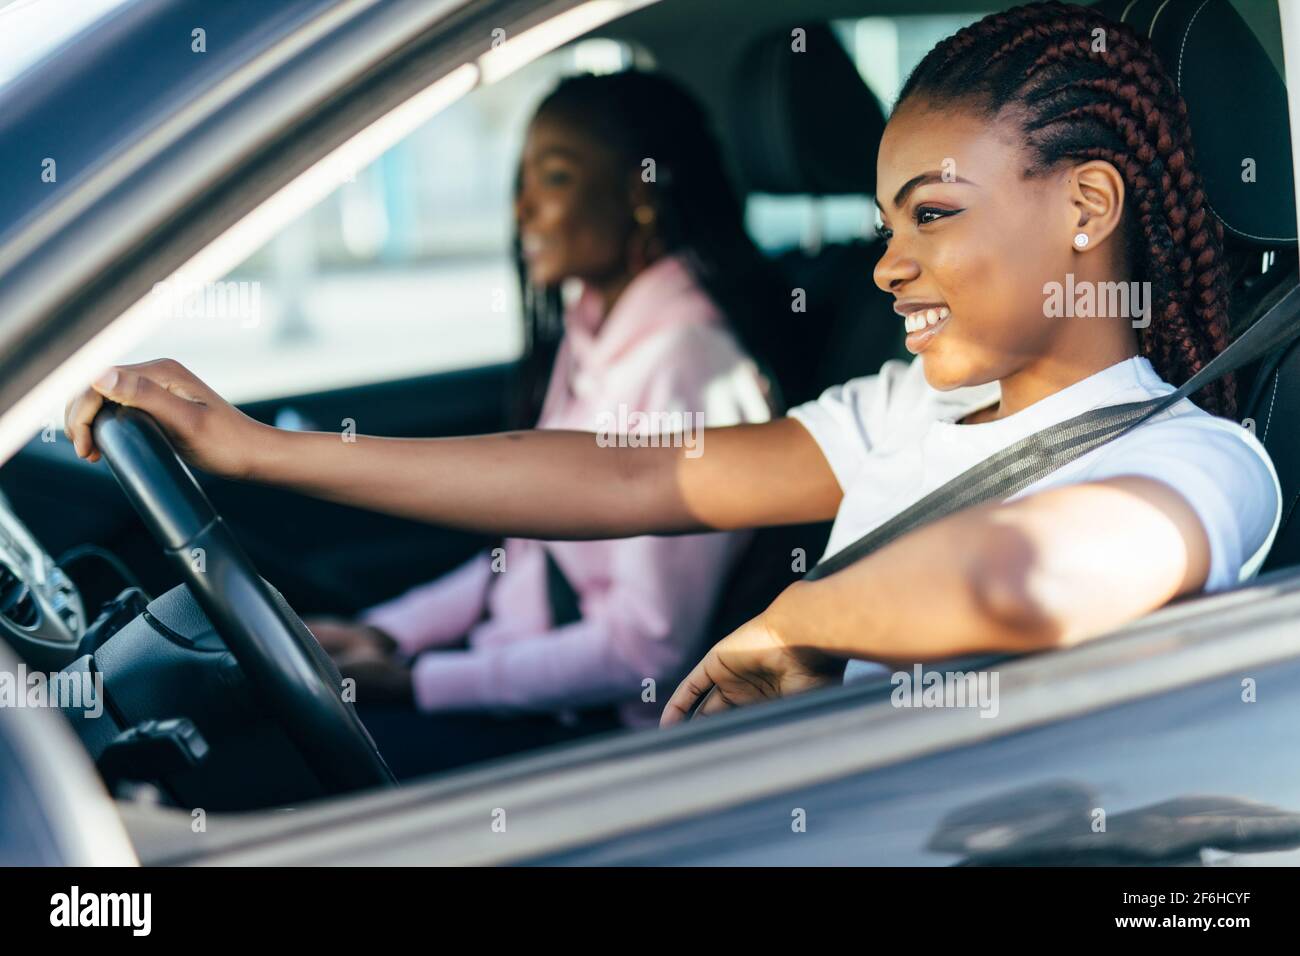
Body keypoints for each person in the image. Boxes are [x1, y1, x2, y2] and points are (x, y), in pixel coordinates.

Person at [67, 2, 1280, 744]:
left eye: (932, 215)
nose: (888, 268)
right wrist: (265, 447)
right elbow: (626, 475)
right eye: (885, 226)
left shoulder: (1203, 462)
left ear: (1086, 206)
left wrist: (803, 620)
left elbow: (1033, 575)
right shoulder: (911, 407)